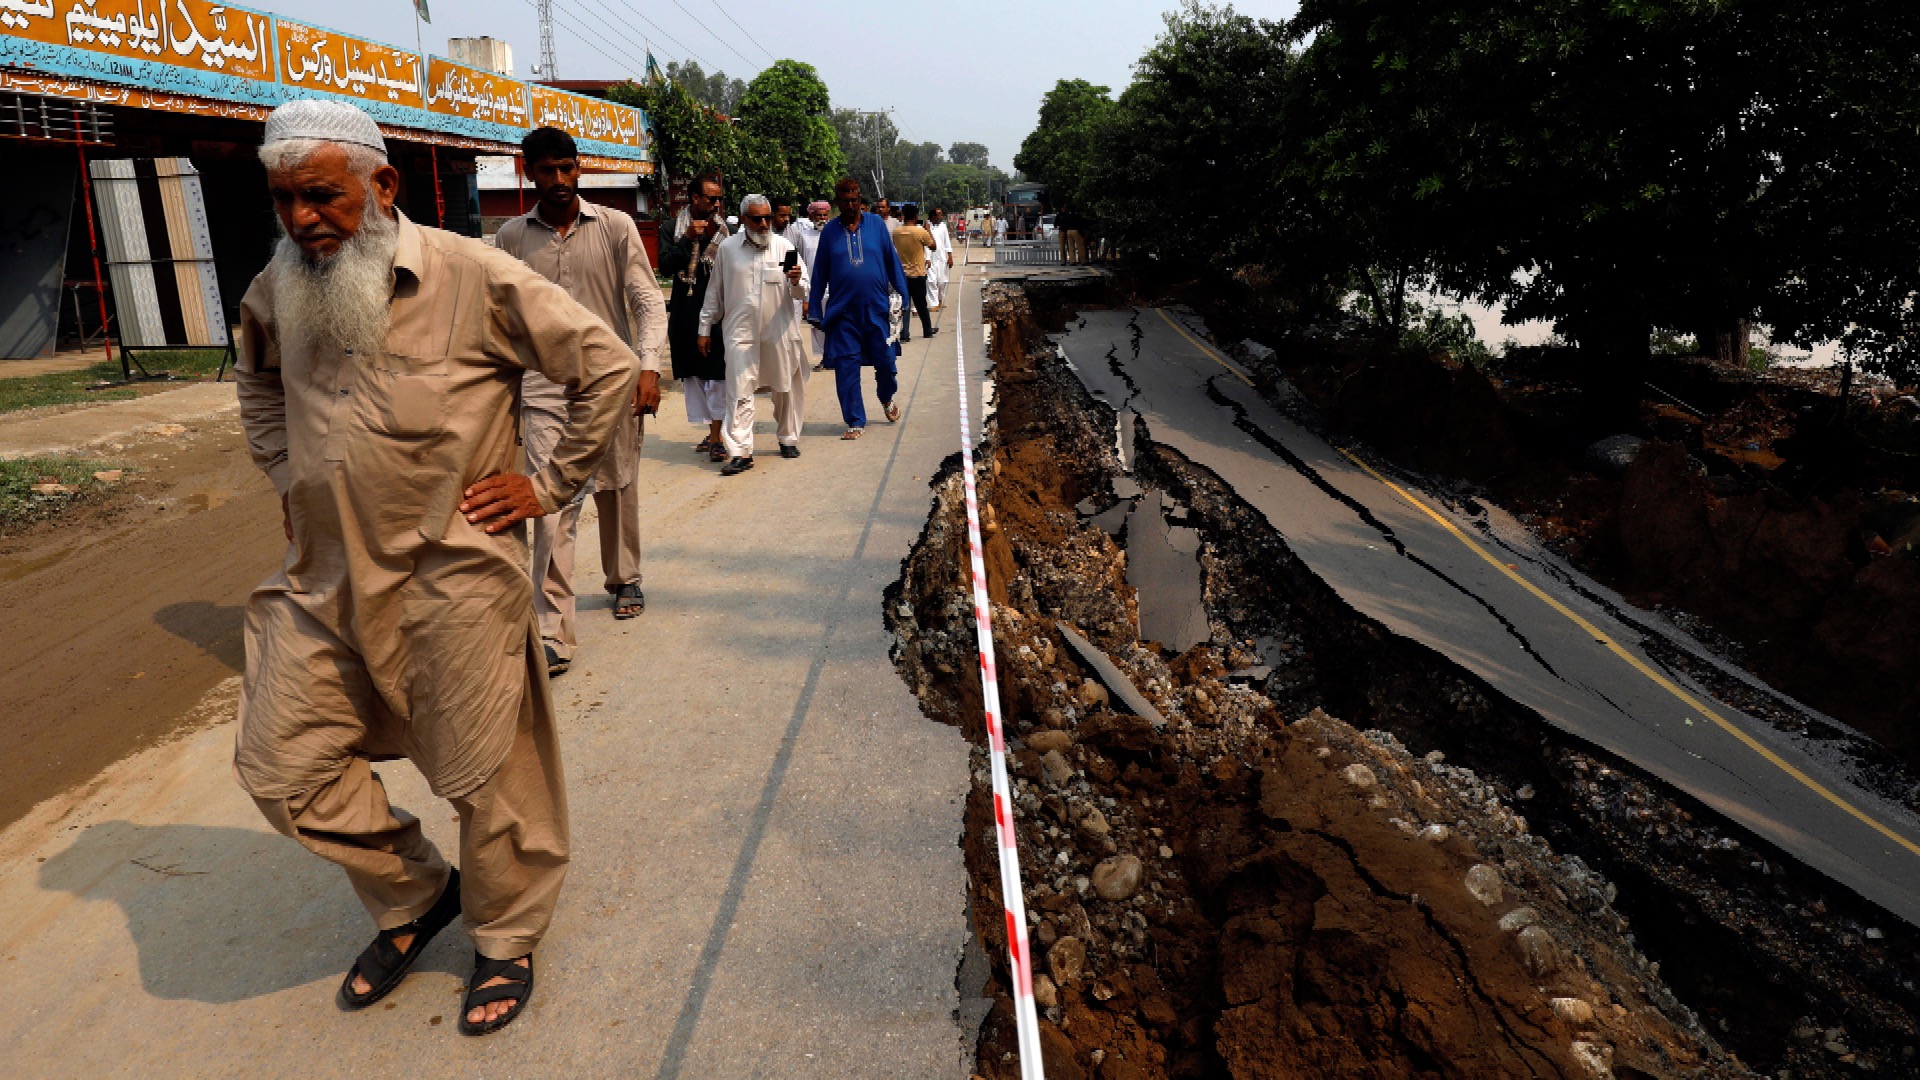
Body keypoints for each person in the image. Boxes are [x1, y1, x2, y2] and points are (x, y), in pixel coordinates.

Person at [233, 99, 638, 1037]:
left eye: (321, 197)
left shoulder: (474, 273)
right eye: (284, 200)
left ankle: (506, 933)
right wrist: (287, 472)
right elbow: (256, 382)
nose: (301, 219)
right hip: (323, 578)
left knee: (486, 773)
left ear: (382, 185)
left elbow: (607, 367)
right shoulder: (277, 284)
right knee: (281, 767)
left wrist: (548, 485)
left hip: (450, 575)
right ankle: (418, 892)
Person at [495, 126, 666, 677]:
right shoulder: (511, 238)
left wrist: (648, 366)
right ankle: (553, 628)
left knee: (617, 485)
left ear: (579, 168)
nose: (559, 179)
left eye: (566, 168)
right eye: (547, 170)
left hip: (611, 381)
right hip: (544, 387)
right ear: (528, 173)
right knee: (550, 501)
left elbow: (646, 299)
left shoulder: (615, 227)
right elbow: (501, 317)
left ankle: (624, 577)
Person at [696, 195, 810, 474]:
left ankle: (787, 437)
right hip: (740, 334)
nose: (764, 224)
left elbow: (802, 292)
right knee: (739, 390)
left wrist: (797, 281)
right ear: (743, 219)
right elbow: (715, 292)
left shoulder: (785, 247)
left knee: (784, 387)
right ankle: (741, 451)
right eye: (757, 219)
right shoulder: (728, 249)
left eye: (767, 218)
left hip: (778, 332)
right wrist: (704, 328)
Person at [808, 176, 909, 440]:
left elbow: (892, 263)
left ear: (860, 199)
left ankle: (886, 397)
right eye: (845, 201)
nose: (851, 205)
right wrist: (815, 309)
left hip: (877, 310)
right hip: (843, 313)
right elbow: (819, 273)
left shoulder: (876, 225)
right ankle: (855, 420)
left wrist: (904, 298)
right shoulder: (829, 232)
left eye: (854, 200)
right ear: (837, 202)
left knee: (886, 364)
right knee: (846, 367)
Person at [661, 173, 730, 461]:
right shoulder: (672, 228)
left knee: (718, 375)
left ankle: (717, 436)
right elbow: (665, 266)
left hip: (717, 315)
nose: (716, 204)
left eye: (719, 199)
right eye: (711, 199)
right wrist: (688, 239)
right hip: (686, 313)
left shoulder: (724, 232)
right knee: (695, 376)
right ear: (695, 198)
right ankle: (713, 432)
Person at [785, 199, 830, 360]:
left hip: (833, 286)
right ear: (811, 217)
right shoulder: (803, 236)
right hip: (813, 287)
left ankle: (833, 355)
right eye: (818, 215)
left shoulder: (833, 234)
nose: (822, 219)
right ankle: (824, 356)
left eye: (824, 215)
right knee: (816, 323)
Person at [892, 203, 938, 342]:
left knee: (905, 305)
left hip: (902, 274)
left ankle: (905, 333)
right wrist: (928, 230)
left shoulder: (896, 232)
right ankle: (927, 330)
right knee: (921, 304)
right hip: (918, 273)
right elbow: (933, 246)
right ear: (916, 216)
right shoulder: (920, 232)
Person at [924, 206, 953, 311]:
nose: (941, 216)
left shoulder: (943, 226)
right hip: (930, 258)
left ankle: (940, 300)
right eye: (938, 215)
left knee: (942, 281)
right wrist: (926, 258)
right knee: (931, 281)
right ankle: (934, 304)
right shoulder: (926, 226)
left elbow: (947, 242)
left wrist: (950, 256)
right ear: (933, 216)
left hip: (941, 258)